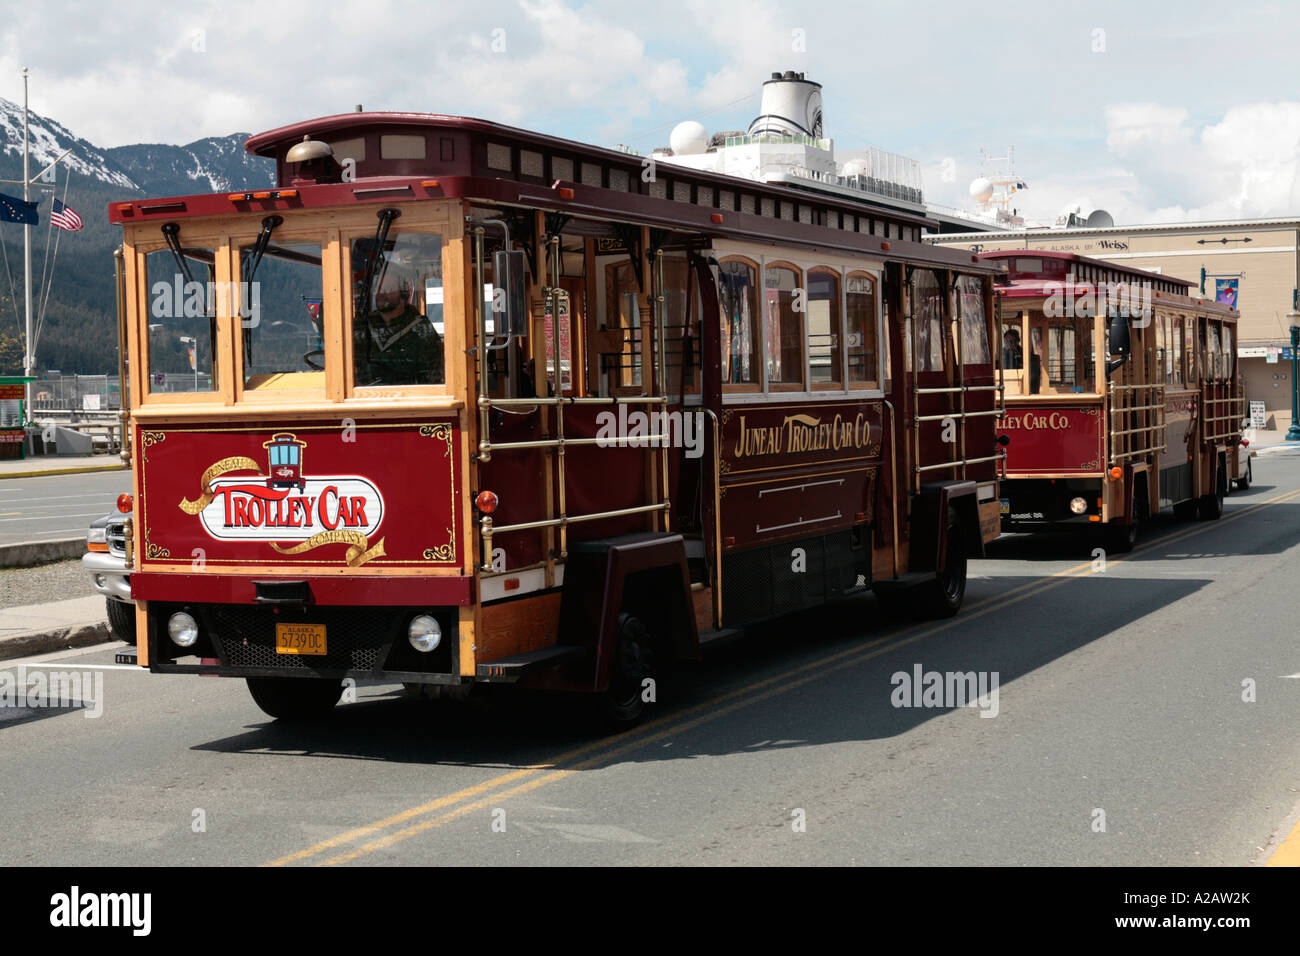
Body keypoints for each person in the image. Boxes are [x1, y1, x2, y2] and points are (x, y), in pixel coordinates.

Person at [353, 270, 443, 385]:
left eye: (389, 288)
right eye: (378, 288)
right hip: (365, 399)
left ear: (404, 295)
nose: (381, 293)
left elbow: (434, 371)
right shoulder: (362, 326)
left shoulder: (420, 327)